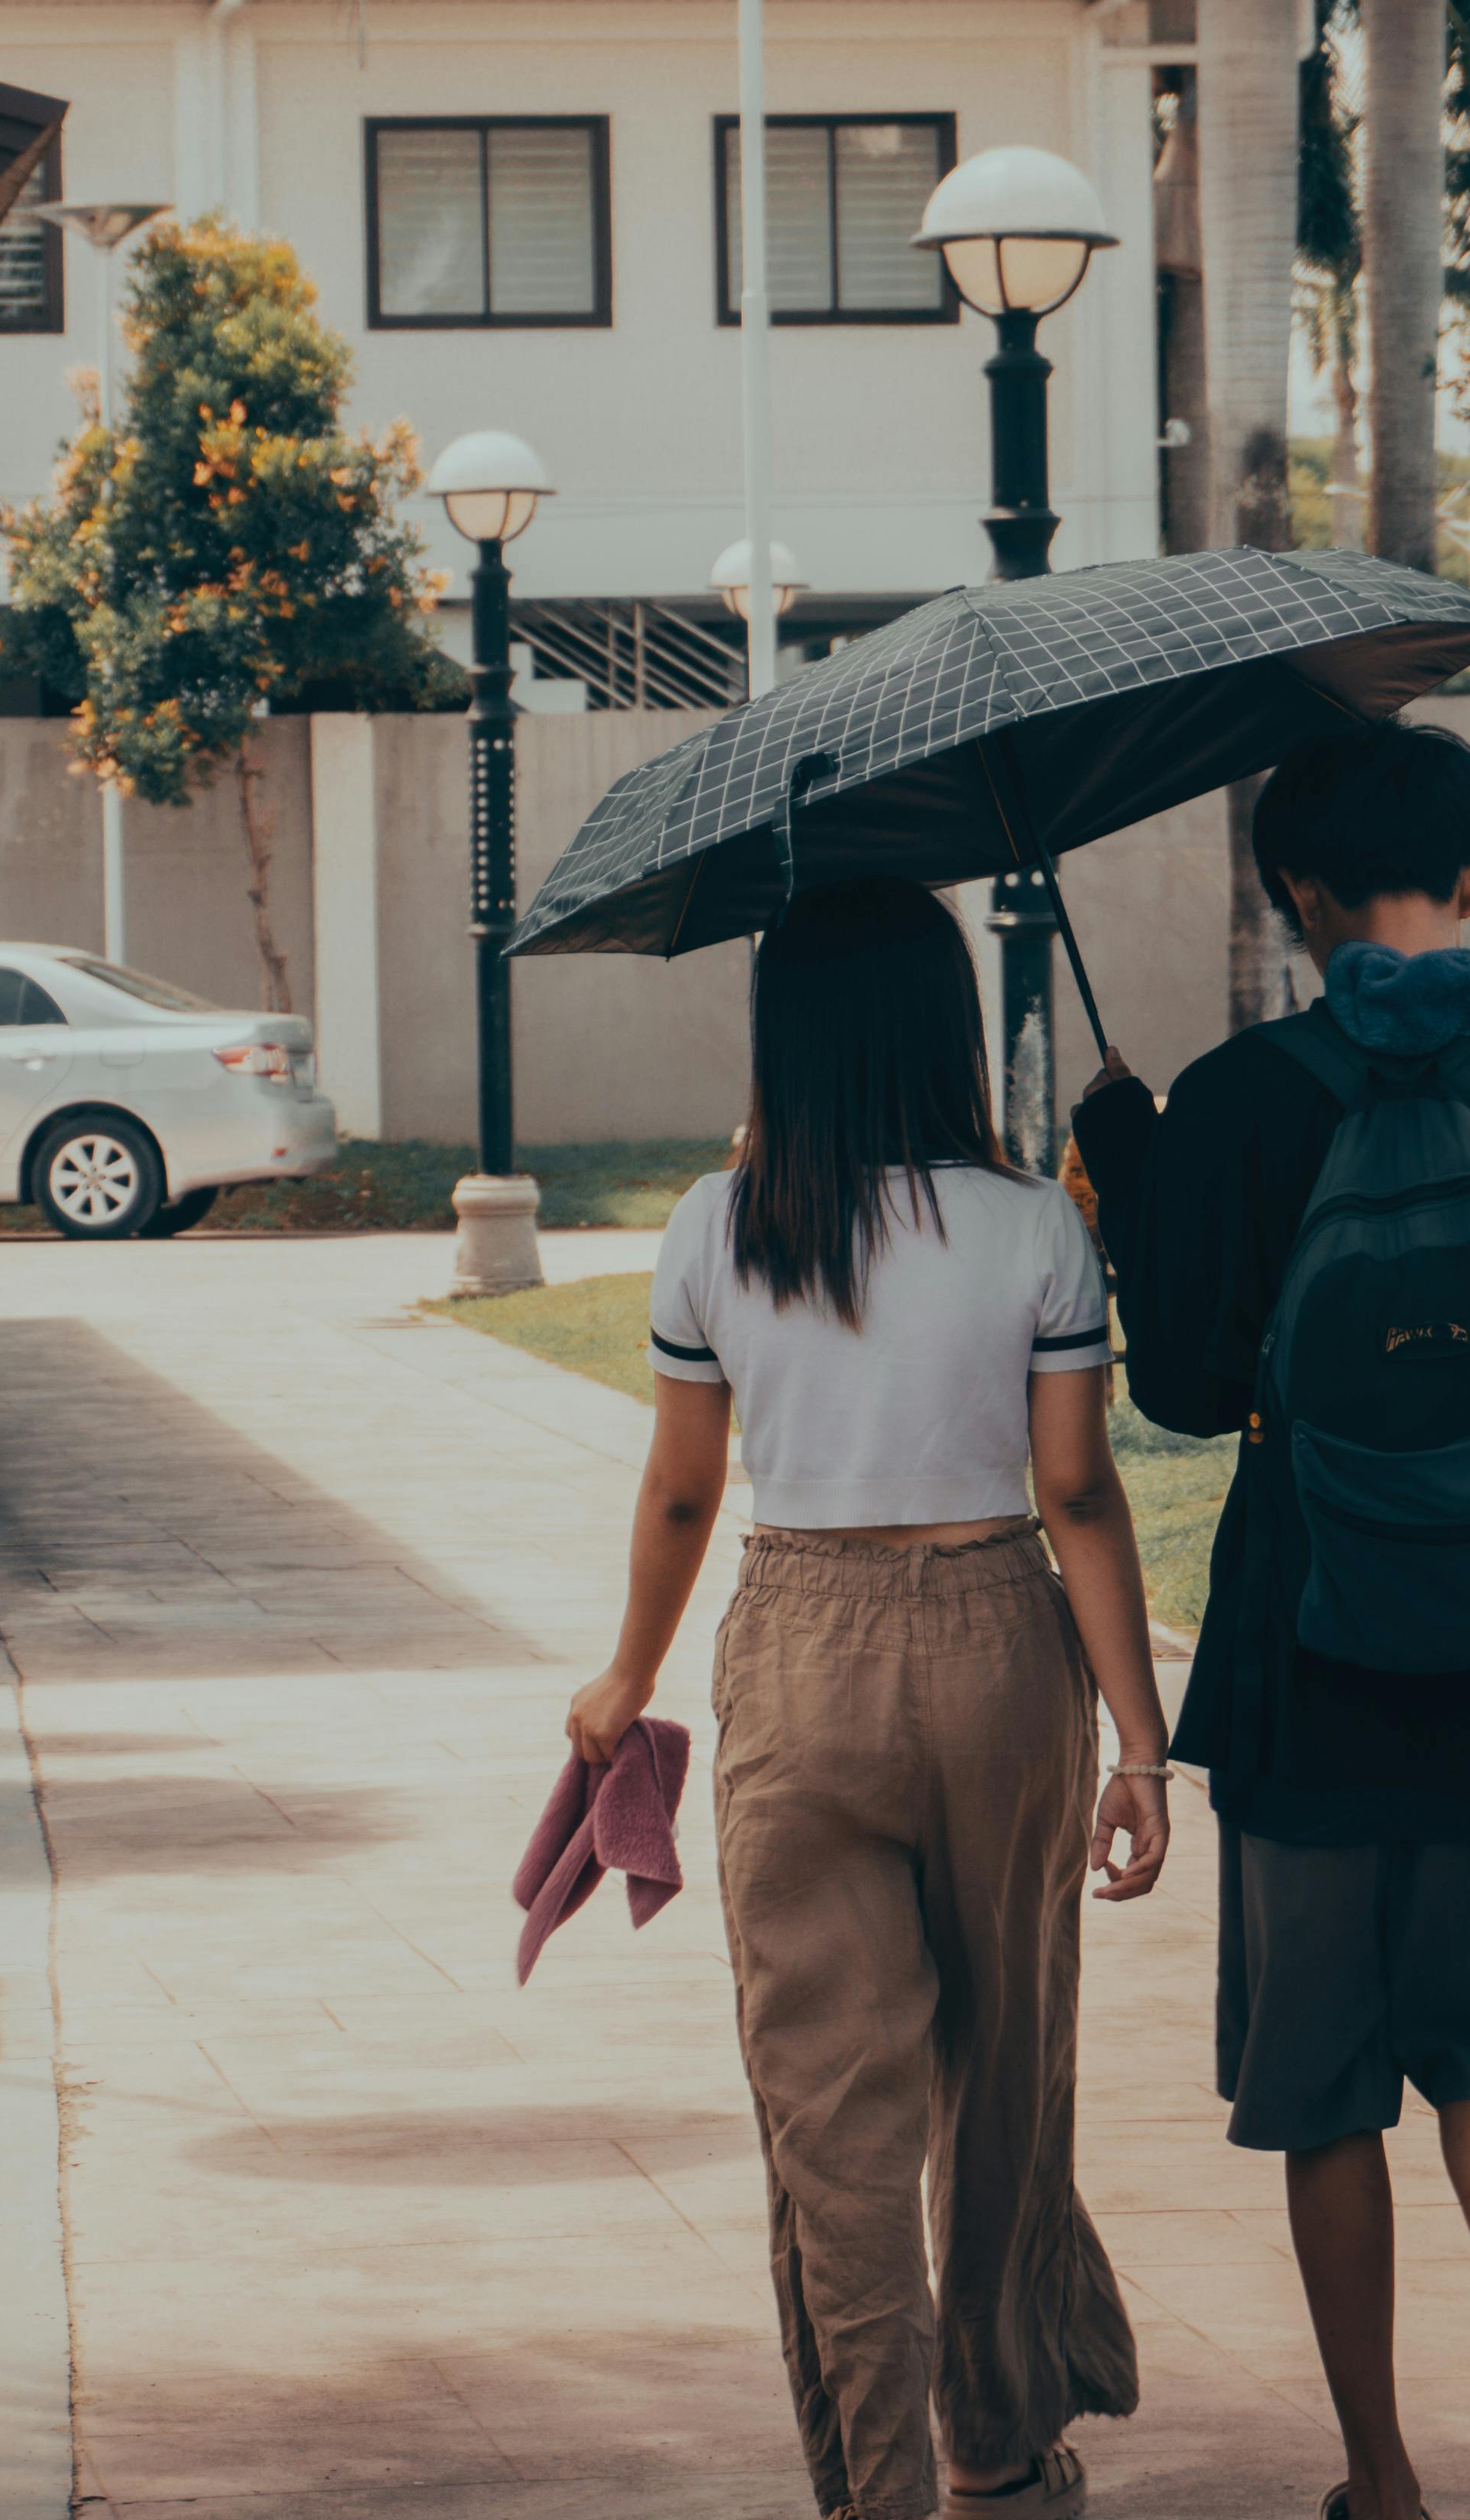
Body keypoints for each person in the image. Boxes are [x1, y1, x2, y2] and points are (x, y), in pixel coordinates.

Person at [1069, 723, 1470, 2520]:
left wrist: (1136, 1168)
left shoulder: (1243, 1096)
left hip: (1310, 1654)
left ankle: (1381, 2473)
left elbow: (1193, 1390)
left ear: (1293, 892)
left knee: (1329, 2077)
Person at [567, 879, 1174, 2520]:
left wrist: (626, 1672)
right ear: (943, 1024)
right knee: (1006, 2063)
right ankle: (994, 2430)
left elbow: (685, 1494)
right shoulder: (1034, 1227)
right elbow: (1079, 1489)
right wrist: (1140, 1735)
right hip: (998, 1643)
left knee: (830, 2110)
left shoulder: (721, 1225)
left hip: (797, 1644)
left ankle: (882, 2485)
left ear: (789, 1033)